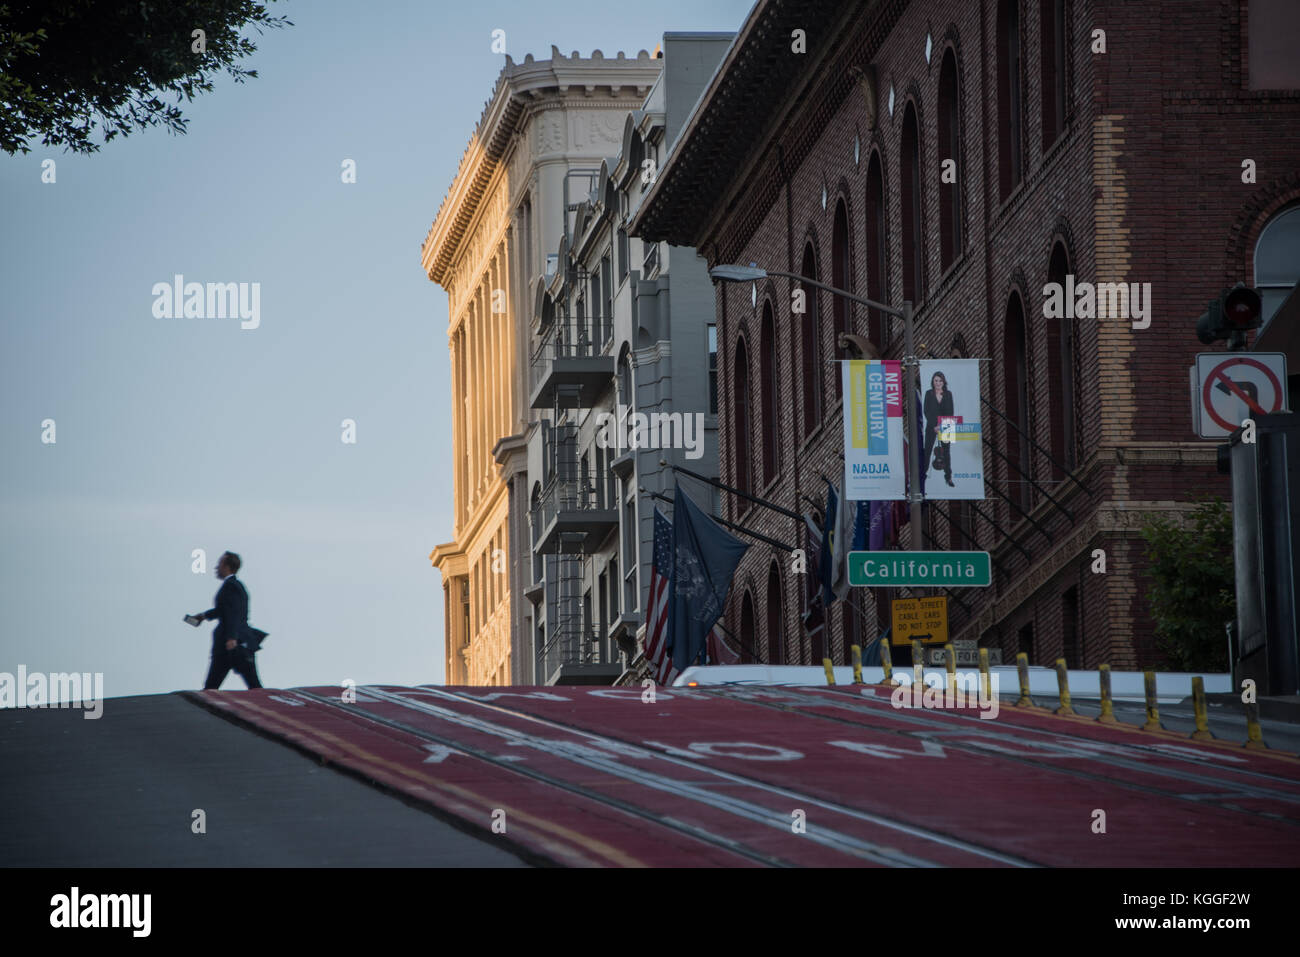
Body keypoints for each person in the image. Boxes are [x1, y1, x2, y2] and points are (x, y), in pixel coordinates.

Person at [193, 551, 262, 690]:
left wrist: (231, 638)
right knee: (212, 687)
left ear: (226, 566)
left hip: (232, 644)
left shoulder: (231, 586)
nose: (216, 568)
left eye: (219, 564)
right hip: (233, 644)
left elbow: (233, 613)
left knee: (212, 688)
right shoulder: (233, 586)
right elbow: (223, 610)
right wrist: (203, 616)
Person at [923, 370, 955, 488]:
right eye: (936, 380)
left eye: (940, 380)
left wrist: (941, 426)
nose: (938, 383)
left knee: (946, 452)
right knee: (927, 451)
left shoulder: (948, 394)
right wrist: (934, 426)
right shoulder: (928, 393)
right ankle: (923, 474)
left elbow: (950, 411)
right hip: (931, 426)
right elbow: (926, 411)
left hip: (946, 425)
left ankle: (948, 477)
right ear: (933, 381)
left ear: (943, 382)